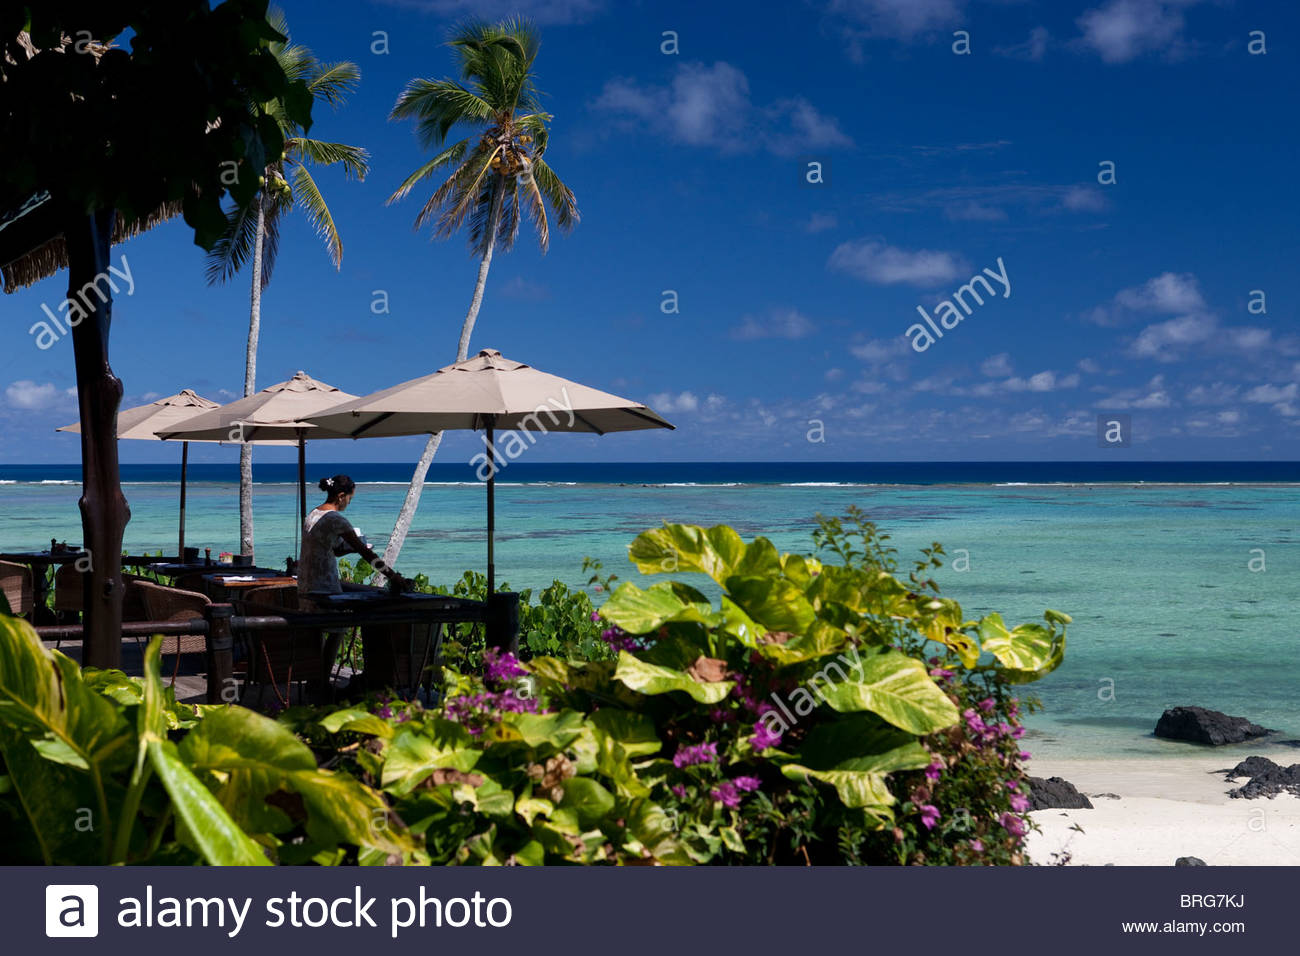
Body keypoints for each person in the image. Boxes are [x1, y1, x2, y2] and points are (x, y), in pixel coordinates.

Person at [298, 474, 410, 695]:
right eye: (350, 498)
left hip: (306, 579)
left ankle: (315, 681)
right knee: (338, 628)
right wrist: (393, 576)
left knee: (316, 632)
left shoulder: (314, 514)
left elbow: (332, 548)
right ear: (341, 496)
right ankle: (321, 682)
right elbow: (366, 554)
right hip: (323, 580)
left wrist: (346, 548)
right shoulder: (337, 519)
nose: (350, 502)